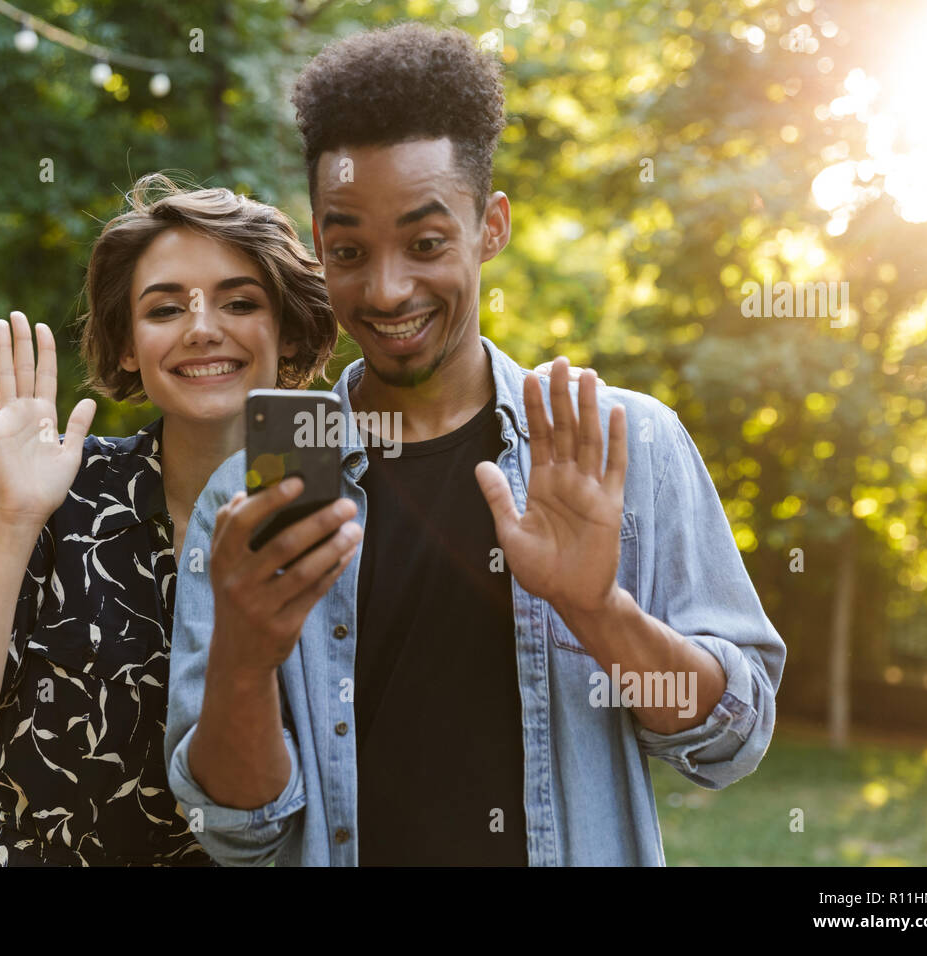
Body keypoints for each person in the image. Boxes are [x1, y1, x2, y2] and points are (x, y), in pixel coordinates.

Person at [164, 23, 786, 866]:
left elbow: (727, 743)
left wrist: (598, 613)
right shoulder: (252, 493)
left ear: (489, 227)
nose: (386, 290)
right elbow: (239, 833)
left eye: (426, 245)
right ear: (318, 242)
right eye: (349, 250)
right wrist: (242, 661)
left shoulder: (626, 443)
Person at [0, 174, 339, 865]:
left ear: (286, 331)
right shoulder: (58, 490)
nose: (201, 329)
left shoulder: (336, 508)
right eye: (165, 310)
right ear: (128, 345)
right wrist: (14, 519)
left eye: (239, 301)